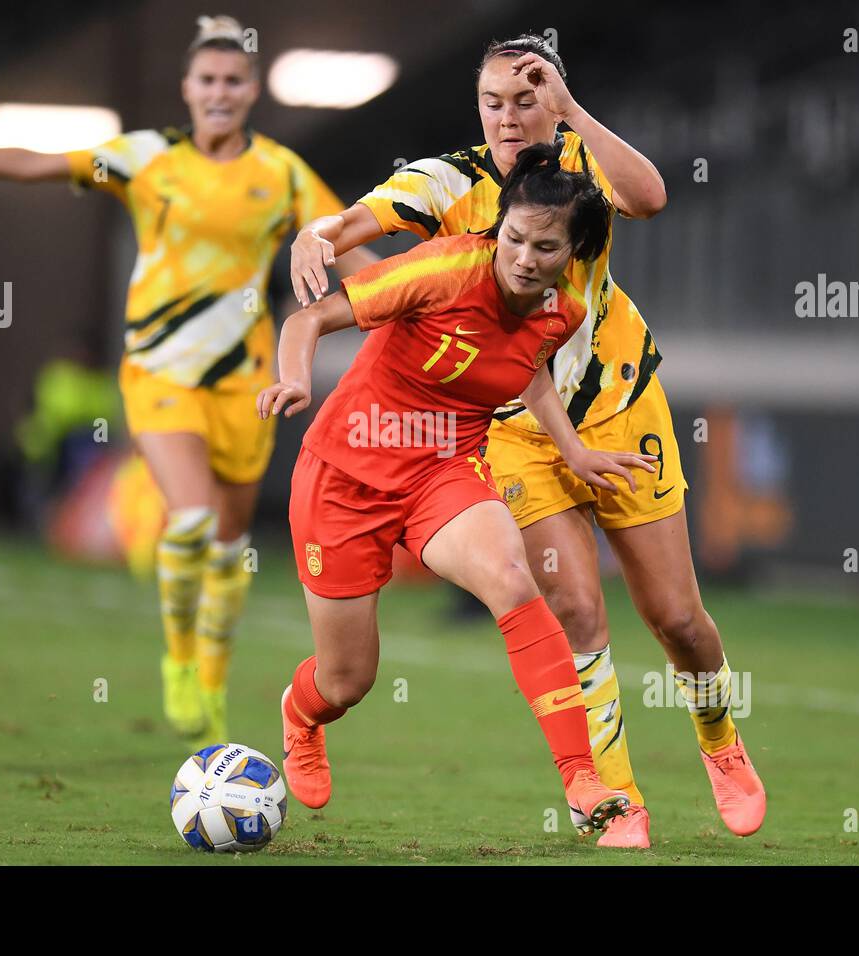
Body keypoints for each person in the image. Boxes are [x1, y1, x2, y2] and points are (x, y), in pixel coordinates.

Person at [287, 34, 766, 845]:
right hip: (506, 425)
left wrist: (572, 108)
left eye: (526, 97)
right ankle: (611, 797)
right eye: (492, 101)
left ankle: (719, 739)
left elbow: (649, 197)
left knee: (679, 620)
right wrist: (318, 232)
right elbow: (362, 218)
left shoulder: (583, 165)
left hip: (617, 406)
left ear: (554, 100)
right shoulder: (453, 180)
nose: (508, 117)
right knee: (574, 607)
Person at [0, 15, 377, 744]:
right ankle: (178, 662)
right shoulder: (144, 158)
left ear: (251, 90)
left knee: (227, 544)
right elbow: (39, 163)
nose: (220, 92)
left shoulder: (283, 173)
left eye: (233, 80)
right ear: (187, 88)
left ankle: (212, 671)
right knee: (189, 522)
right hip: (158, 371)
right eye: (208, 80)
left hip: (246, 380)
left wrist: (415, 298)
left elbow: (346, 243)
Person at [258, 144, 660, 839]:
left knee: (513, 578)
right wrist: (295, 376)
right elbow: (309, 319)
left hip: (444, 469)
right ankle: (301, 716)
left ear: (574, 253)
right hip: (345, 475)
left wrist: (574, 449)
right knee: (347, 680)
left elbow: (526, 369)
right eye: (514, 237)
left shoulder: (559, 312)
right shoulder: (444, 268)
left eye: (545, 245)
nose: (524, 257)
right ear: (497, 225)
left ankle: (580, 777)